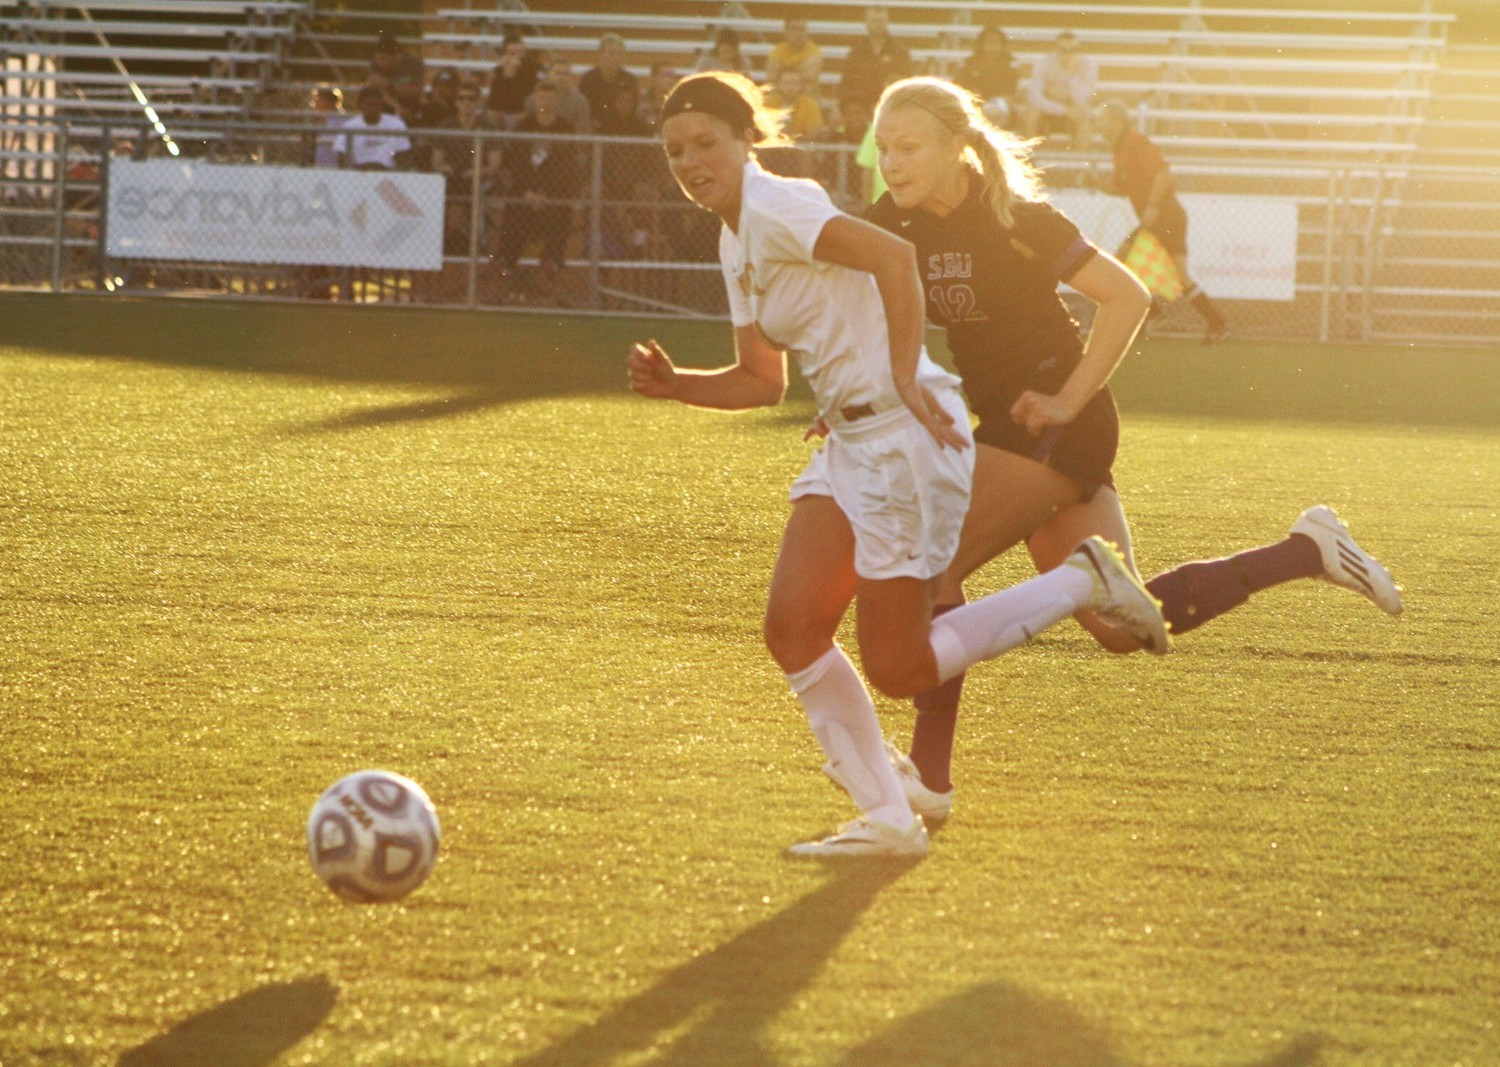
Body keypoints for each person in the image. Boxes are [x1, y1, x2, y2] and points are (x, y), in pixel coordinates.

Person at [628, 72, 1169, 858]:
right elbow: (762, 380)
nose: (689, 161)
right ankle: (890, 817)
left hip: (911, 436)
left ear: (748, 140)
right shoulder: (734, 234)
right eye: (675, 150)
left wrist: (907, 373)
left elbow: (893, 261)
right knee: (792, 626)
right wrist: (677, 383)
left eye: (706, 143)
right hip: (855, 439)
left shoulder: (780, 207)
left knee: (900, 660)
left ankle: (1073, 591)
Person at [859, 76, 1402, 818]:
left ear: (958, 147)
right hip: (1015, 426)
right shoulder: (894, 221)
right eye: (884, 148)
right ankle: (1306, 551)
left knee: (936, 563)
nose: (892, 163)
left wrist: (1065, 400)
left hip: (1058, 422)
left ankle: (929, 778)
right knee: (1121, 627)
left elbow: (1128, 296)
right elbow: (846, 290)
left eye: (909, 147)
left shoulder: (1020, 218)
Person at [1095, 101, 1229, 344]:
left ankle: (1155, 314)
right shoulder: (1119, 149)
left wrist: (1153, 207)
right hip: (1161, 218)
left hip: (1166, 216)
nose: (1098, 125)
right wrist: (1094, 183)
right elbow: (1120, 188)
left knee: (1121, 262)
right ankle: (1215, 323)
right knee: (1179, 276)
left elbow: (1163, 174)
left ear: (1116, 121)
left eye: (1101, 120)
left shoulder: (1135, 142)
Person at [498, 82, 580, 299]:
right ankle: (507, 262)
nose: (545, 102)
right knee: (513, 211)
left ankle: (552, 260)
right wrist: (527, 192)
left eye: (550, 98)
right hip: (525, 192)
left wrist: (546, 195)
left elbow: (567, 169)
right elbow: (515, 164)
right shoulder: (524, 126)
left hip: (552, 195)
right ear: (535, 99)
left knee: (561, 211)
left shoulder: (565, 128)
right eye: (542, 98)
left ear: (557, 100)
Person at [431, 78, 504, 254]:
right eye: (461, 98)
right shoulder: (446, 126)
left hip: (479, 178)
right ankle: (440, 244)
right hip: (452, 178)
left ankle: (478, 245)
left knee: (479, 196)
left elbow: (495, 164)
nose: (466, 102)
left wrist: (478, 171)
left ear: (478, 102)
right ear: (456, 102)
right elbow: (436, 161)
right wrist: (444, 168)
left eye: (471, 98)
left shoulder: (488, 127)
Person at [1023, 30, 1095, 149]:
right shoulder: (1043, 62)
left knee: (1084, 113)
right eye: (1063, 50)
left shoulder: (1088, 63)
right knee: (1031, 112)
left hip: (1072, 106)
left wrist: (1071, 75)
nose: (1068, 54)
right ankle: (1028, 156)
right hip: (1048, 107)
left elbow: (1083, 99)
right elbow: (1035, 98)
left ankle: (1081, 157)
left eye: (1073, 50)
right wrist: (1064, 110)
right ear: (1055, 49)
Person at [839, 7, 912, 113]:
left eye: (881, 21)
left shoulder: (899, 51)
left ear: (887, 22)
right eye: (874, 21)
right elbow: (846, 83)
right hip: (861, 110)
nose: (878, 25)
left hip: (891, 107)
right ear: (866, 23)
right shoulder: (856, 52)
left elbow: (906, 81)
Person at [336, 84, 413, 171]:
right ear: (360, 105)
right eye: (368, 105)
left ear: (382, 105)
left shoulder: (397, 125)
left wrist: (396, 174)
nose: (372, 109)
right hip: (358, 173)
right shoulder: (349, 127)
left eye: (375, 105)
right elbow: (341, 155)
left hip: (388, 173)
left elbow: (403, 156)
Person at [955, 26, 1018, 128]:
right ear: (981, 44)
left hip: (1000, 102)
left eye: (997, 43)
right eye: (989, 42)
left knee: (995, 111)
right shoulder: (969, 63)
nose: (993, 46)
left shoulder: (1009, 64)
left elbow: (1009, 92)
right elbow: (959, 86)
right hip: (975, 101)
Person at [579, 33, 639, 133]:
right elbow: (584, 110)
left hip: (622, 130)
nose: (616, 58)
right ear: (600, 55)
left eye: (620, 54)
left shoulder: (630, 80)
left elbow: (633, 109)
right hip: (594, 131)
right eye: (611, 53)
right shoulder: (588, 79)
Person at [368, 31, 425, 123]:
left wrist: (390, 84)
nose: (379, 62)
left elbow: (416, 91)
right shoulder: (376, 65)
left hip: (411, 104)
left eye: (383, 59)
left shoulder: (414, 64)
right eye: (377, 58)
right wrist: (398, 107)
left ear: (396, 56)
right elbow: (379, 92)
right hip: (388, 107)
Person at [486, 32, 540, 129]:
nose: (518, 56)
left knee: (522, 115)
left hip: (527, 110)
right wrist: (507, 75)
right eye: (512, 53)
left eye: (520, 52)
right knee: (492, 114)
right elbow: (494, 102)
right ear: (505, 55)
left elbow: (531, 95)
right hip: (505, 113)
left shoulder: (535, 67)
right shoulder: (499, 71)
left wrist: (514, 77)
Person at [528, 58, 591, 134]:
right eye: (558, 73)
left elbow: (581, 130)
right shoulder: (532, 99)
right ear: (548, 74)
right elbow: (527, 125)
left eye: (566, 74)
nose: (562, 77)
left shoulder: (580, 101)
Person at [766, 68, 826, 142]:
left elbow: (812, 135)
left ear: (801, 86)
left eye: (794, 83)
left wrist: (791, 134)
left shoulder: (810, 105)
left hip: (801, 147)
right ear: (778, 85)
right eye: (786, 83)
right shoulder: (769, 103)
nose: (790, 88)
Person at [766, 16, 823, 86]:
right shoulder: (778, 50)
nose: (798, 33)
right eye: (793, 29)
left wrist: (784, 70)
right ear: (785, 32)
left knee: (810, 85)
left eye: (801, 29)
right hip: (782, 91)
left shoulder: (814, 50)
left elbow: (810, 74)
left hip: (805, 91)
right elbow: (772, 76)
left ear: (806, 33)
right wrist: (799, 69)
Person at [307, 84, 346, 169]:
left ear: (328, 101)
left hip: (334, 167)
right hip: (321, 166)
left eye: (318, 99)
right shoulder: (322, 119)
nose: (315, 103)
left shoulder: (339, 120)